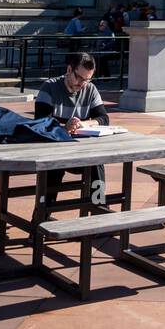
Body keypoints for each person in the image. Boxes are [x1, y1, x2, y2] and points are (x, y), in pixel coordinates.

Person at [35, 52, 110, 212]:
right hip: (53, 152)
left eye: (87, 79)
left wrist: (85, 123)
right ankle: (41, 217)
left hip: (80, 151)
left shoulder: (90, 89)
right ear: (69, 70)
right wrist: (64, 128)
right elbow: (40, 123)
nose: (82, 83)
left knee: (97, 162)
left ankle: (100, 209)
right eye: (80, 78)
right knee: (53, 168)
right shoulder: (49, 88)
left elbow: (103, 117)